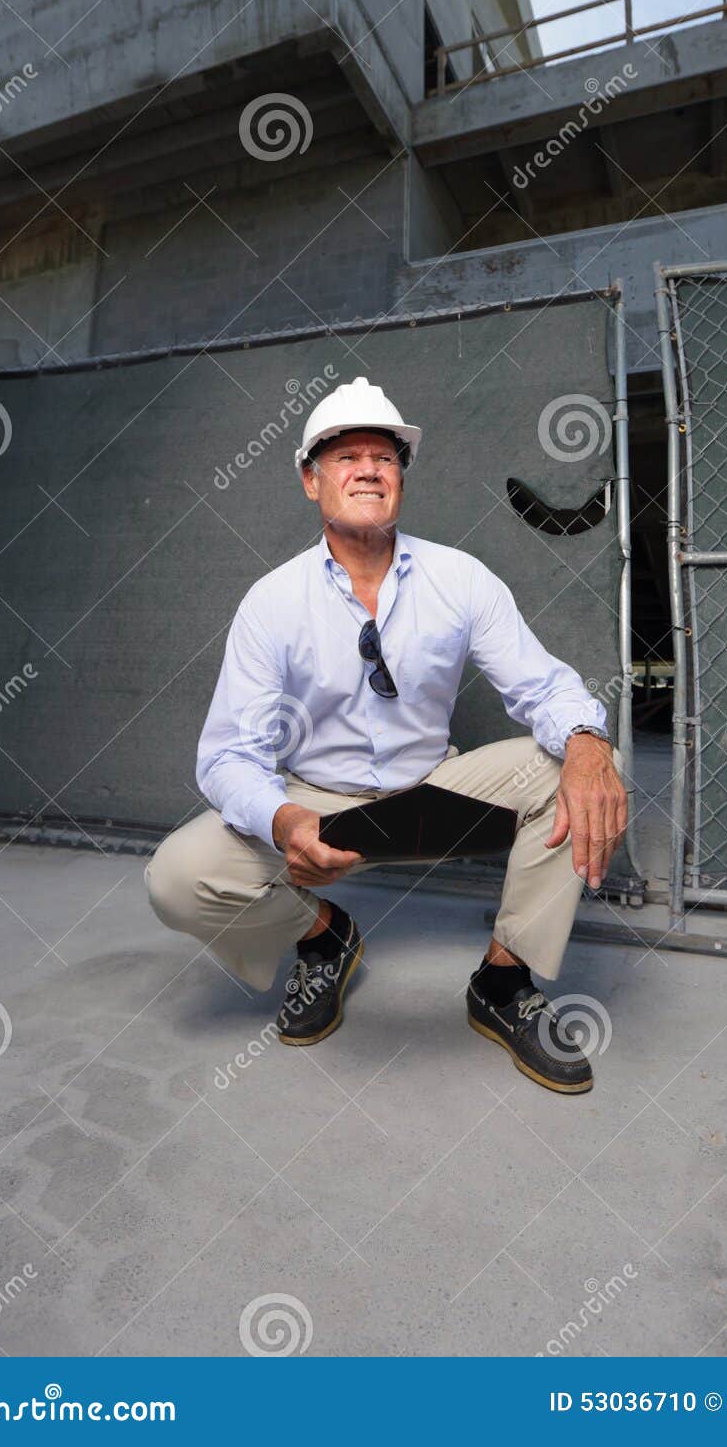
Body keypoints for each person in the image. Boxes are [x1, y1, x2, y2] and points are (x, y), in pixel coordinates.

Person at [145, 377, 628, 1095]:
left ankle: (502, 981)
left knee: (589, 759)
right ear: (311, 481)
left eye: (385, 456)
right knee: (175, 879)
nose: (369, 467)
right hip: (319, 807)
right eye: (346, 457)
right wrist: (285, 818)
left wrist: (588, 742)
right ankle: (324, 938)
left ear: (400, 478)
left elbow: (544, 687)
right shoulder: (271, 602)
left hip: (435, 791)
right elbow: (227, 756)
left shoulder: (460, 578)